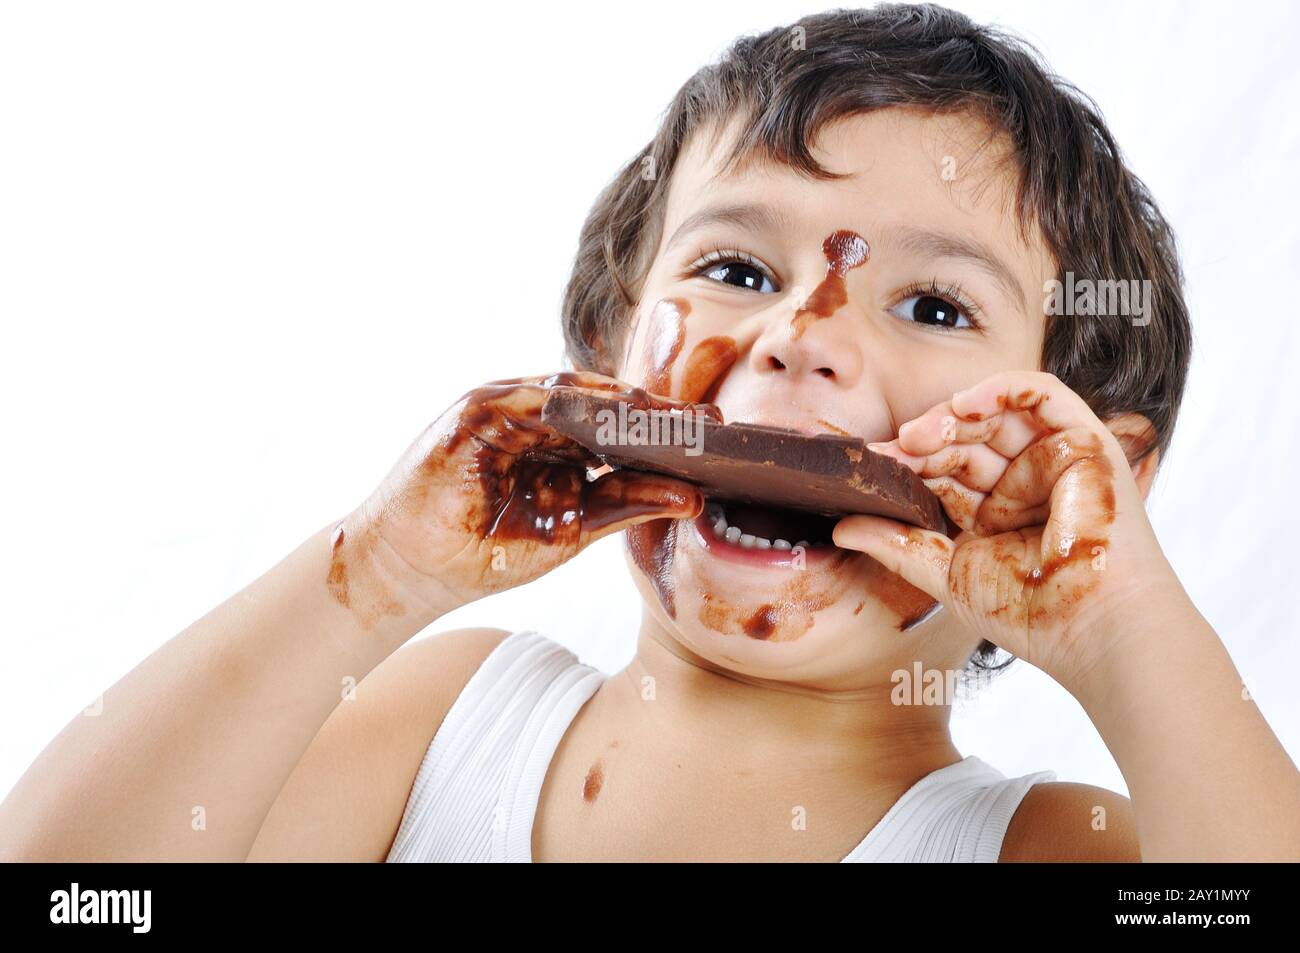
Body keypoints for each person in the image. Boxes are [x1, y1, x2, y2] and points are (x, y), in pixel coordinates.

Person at [3, 3, 1298, 862]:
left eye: (937, 302)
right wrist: (374, 580)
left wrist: (1126, 626)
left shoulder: (1046, 847)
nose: (804, 330)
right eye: (737, 269)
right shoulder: (451, 721)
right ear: (613, 356)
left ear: (1093, 480)